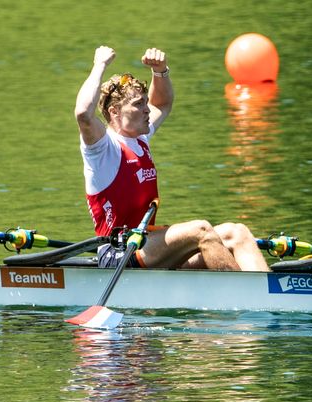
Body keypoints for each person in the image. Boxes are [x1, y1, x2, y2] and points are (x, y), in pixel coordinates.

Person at [74, 46, 269, 272]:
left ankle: (269, 295)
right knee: (201, 230)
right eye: (138, 104)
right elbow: (83, 114)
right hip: (118, 253)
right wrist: (99, 65)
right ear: (115, 112)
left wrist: (160, 71)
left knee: (237, 233)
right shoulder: (103, 149)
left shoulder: (140, 138)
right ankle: (245, 295)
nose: (147, 109)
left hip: (148, 244)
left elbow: (162, 104)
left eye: (145, 102)